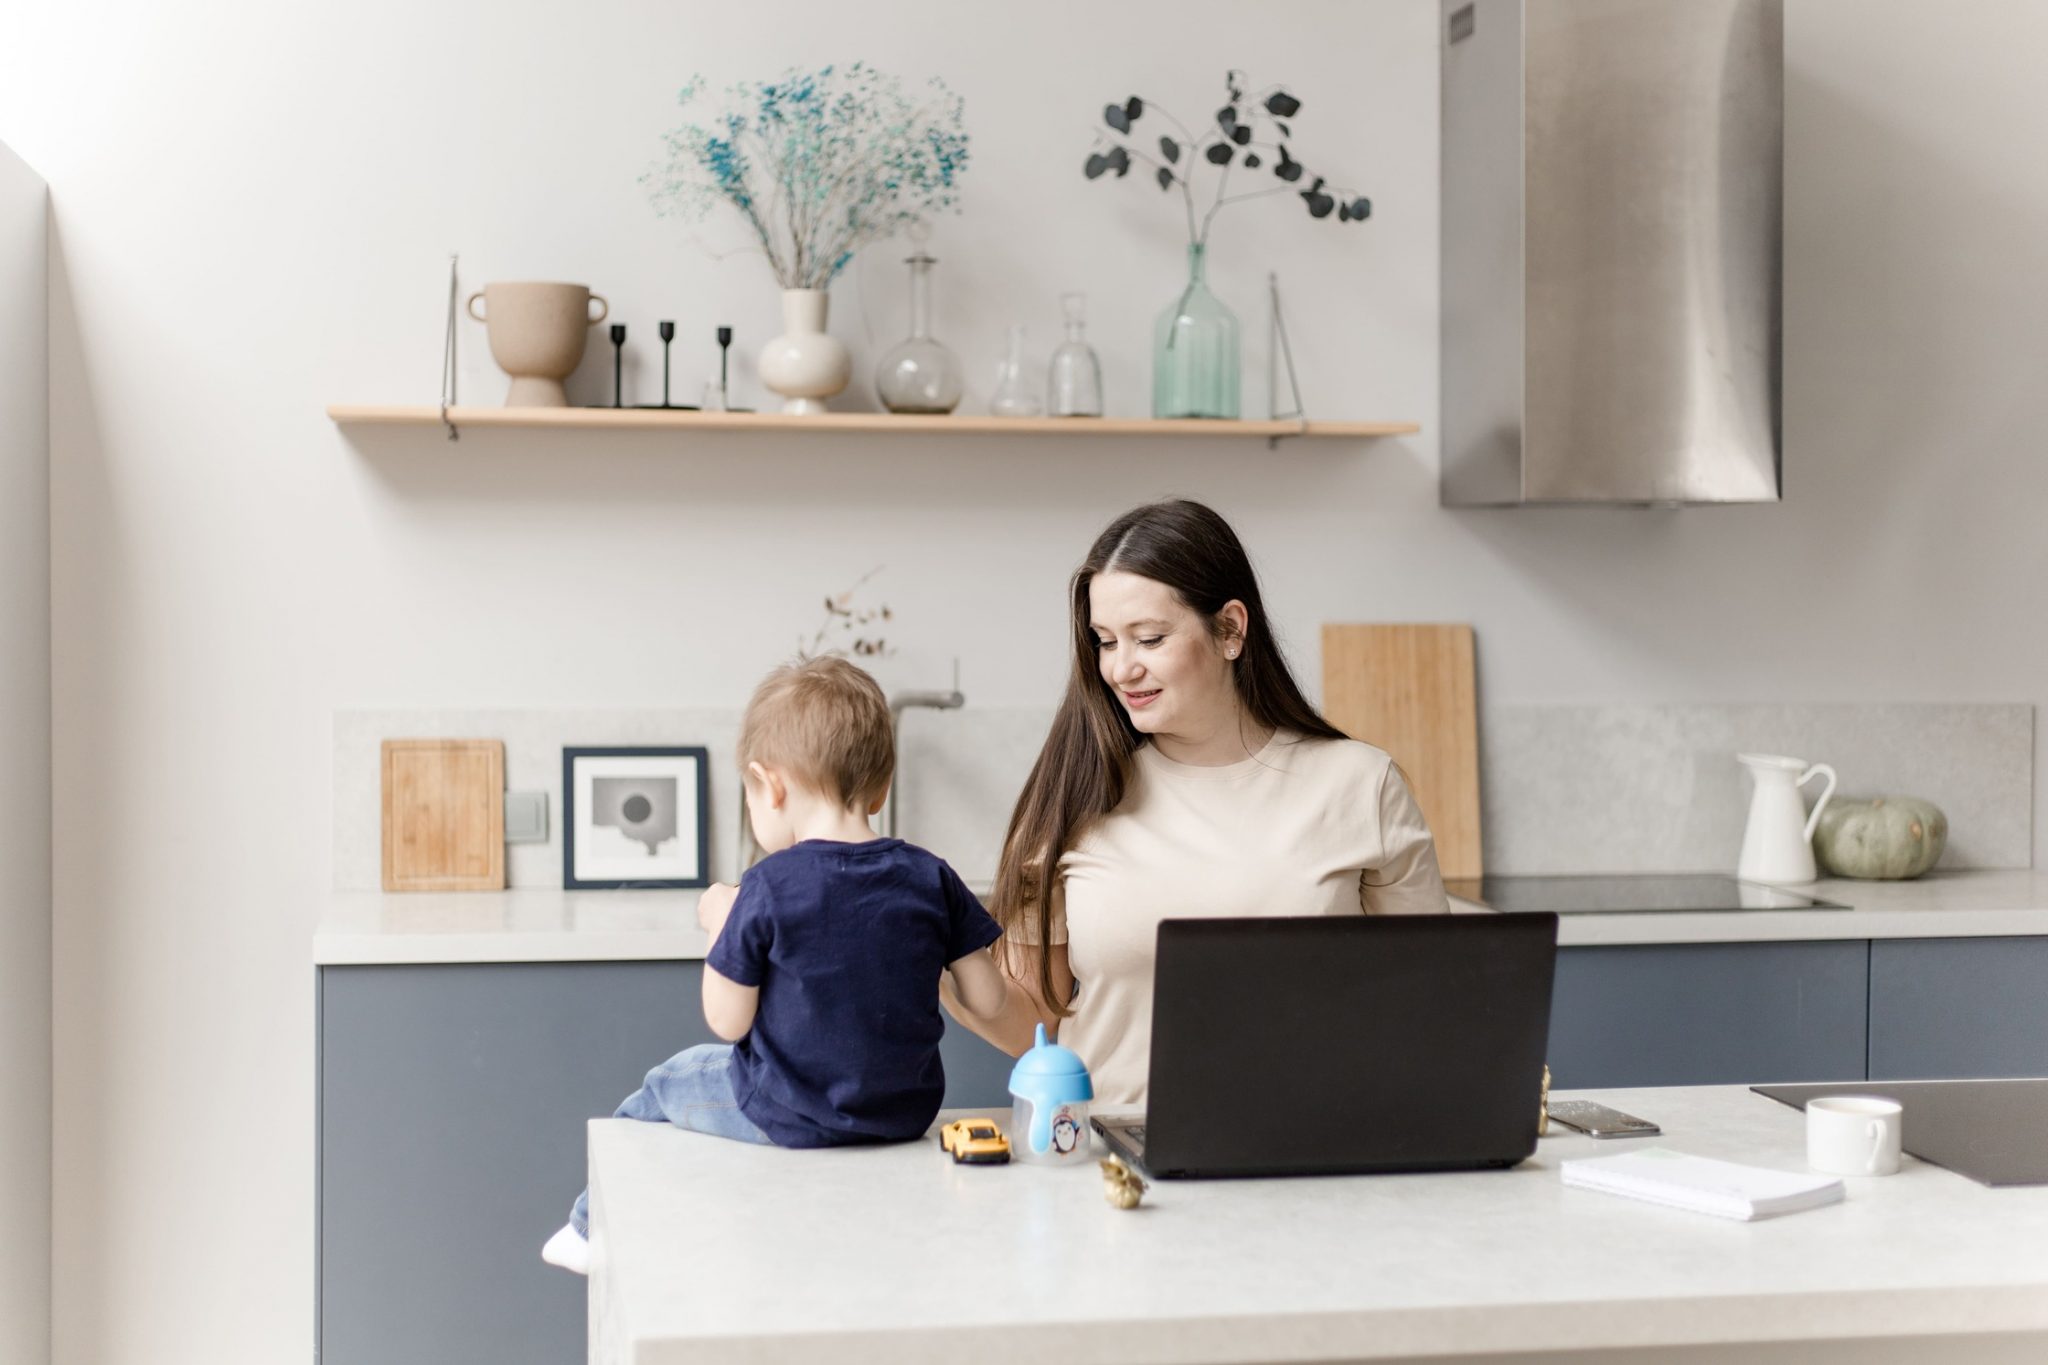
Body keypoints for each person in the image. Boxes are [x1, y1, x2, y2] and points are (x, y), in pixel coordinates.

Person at [950, 499, 1449, 1104]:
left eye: (1150, 638)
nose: (1121, 668)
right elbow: (1035, 1018)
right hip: (1111, 1164)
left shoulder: (1360, 785)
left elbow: (1428, 1001)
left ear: (1232, 629)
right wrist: (932, 949)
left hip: (1311, 1152)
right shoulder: (1075, 794)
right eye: (1105, 642)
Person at [542, 656, 1009, 1274]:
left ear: (771, 785)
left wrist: (722, 925)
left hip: (791, 1114)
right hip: (902, 1114)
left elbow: (727, 1022)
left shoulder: (767, 887)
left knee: (662, 1083)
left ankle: (585, 1231)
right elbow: (990, 1000)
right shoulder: (930, 876)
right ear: (883, 785)